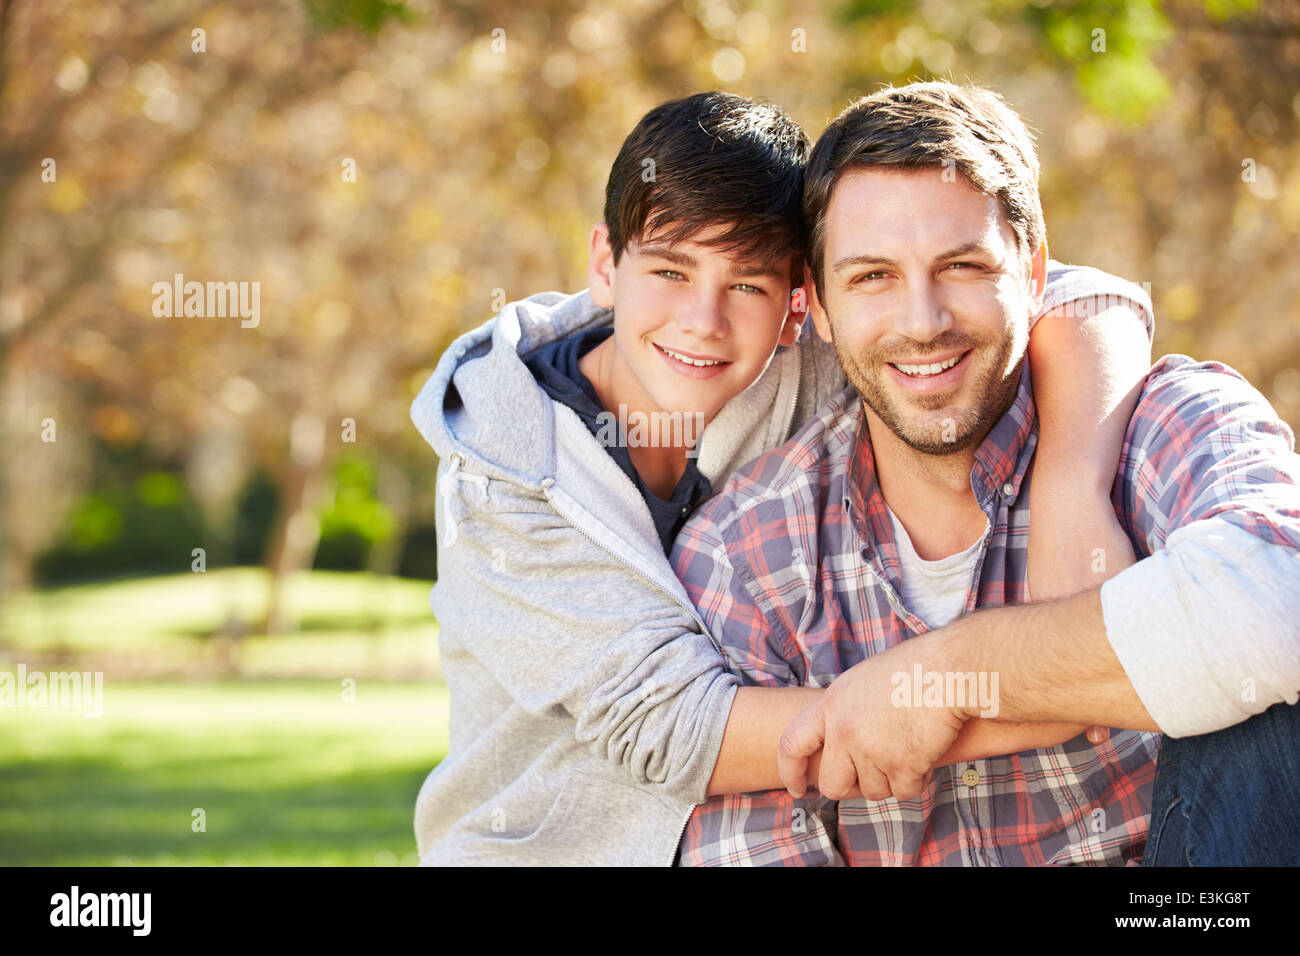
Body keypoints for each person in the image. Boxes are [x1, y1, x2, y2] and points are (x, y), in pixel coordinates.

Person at [410, 90, 1155, 866]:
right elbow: (678, 732)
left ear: (802, 302)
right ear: (605, 262)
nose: (704, 319)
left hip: (746, 836)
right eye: (669, 269)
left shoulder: (807, 355)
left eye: (747, 284)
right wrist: (1064, 692)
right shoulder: (503, 473)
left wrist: (1073, 484)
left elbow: (1068, 298)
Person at [672, 80, 1300, 866]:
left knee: (1276, 708)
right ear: (818, 307)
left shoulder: (1154, 427)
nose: (923, 321)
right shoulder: (748, 556)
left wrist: (953, 670)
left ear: (1035, 274)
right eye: (872, 277)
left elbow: (1284, 600)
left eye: (963, 265)